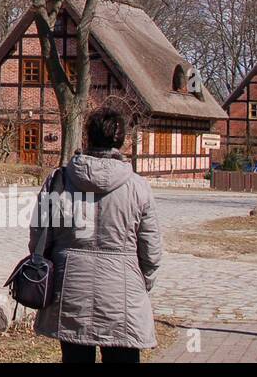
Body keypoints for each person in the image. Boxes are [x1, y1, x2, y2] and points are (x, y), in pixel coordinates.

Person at [29, 106, 163, 363]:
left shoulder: (59, 180)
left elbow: (38, 238)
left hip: (70, 290)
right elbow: (151, 250)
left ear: (87, 137)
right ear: (121, 140)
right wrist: (141, 281)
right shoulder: (138, 187)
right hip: (123, 293)